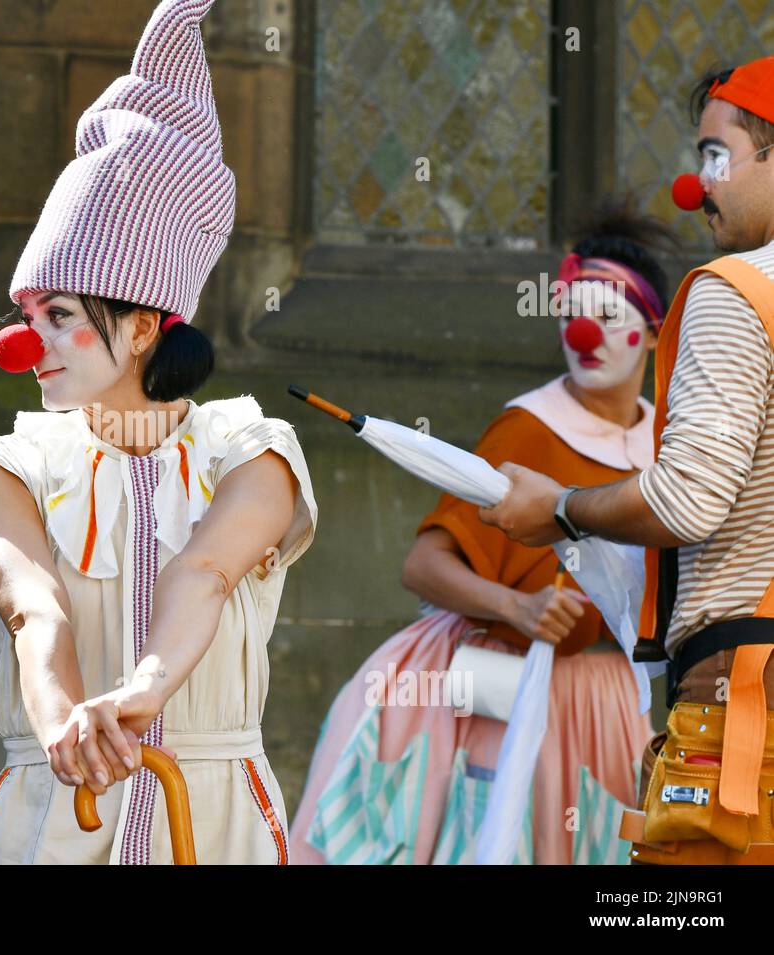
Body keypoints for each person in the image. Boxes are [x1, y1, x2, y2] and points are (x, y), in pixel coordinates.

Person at [0, 0, 317, 864]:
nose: (22, 342)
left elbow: (206, 569)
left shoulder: (252, 451)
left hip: (215, 828)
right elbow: (36, 611)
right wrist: (69, 726)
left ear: (144, 328)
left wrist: (144, 691)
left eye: (59, 314)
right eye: (25, 313)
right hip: (54, 823)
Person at [291, 201, 674, 864]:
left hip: (610, 697)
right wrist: (517, 606)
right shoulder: (527, 429)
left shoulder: (672, 444)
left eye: (609, 316)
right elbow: (423, 565)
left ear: (654, 329)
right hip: (511, 684)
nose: (585, 334)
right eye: (571, 314)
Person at [481, 58, 774, 864]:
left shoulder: (737, 289)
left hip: (748, 701)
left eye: (717, 156)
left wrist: (563, 509)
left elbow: (687, 500)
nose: (696, 185)